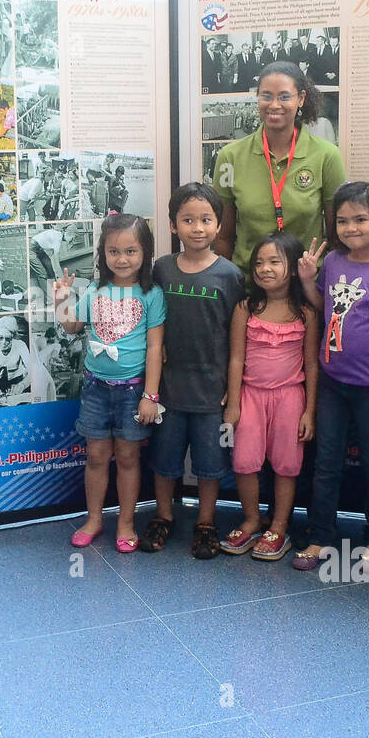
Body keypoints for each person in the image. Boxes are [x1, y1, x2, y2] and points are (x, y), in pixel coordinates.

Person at [293, 182, 369, 570]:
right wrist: (309, 279)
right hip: (332, 382)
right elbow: (321, 305)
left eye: (360, 219)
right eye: (342, 221)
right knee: (325, 464)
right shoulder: (334, 263)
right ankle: (320, 537)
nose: (351, 228)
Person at [140, 184, 246, 558]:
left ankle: (205, 523)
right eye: (188, 220)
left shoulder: (230, 276)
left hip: (210, 393)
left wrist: (232, 395)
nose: (197, 228)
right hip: (168, 389)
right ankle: (163, 517)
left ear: (219, 225)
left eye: (206, 219)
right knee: (165, 461)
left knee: (209, 465)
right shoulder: (162, 270)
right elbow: (152, 325)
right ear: (173, 225)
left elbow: (237, 345)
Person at [56, 214, 165, 552]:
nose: (122, 259)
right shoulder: (94, 289)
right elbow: (72, 328)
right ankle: (93, 518)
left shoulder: (152, 294)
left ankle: (127, 522)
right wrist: (62, 299)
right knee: (97, 455)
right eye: (113, 251)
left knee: (129, 458)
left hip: (134, 391)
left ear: (145, 252)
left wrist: (150, 395)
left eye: (131, 251)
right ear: (103, 254)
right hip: (95, 389)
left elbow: (155, 348)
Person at [222, 231, 319, 560]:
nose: (265, 268)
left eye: (275, 262)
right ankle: (251, 520)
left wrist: (310, 411)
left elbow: (312, 365)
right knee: (245, 461)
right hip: (250, 396)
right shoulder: (245, 308)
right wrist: (233, 403)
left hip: (290, 398)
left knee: (287, 465)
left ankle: (279, 526)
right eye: (259, 262)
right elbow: (235, 357)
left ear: (292, 269)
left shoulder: (305, 313)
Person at [214, 62, 346, 276]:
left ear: (301, 99)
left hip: (305, 287)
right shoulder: (230, 157)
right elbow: (223, 237)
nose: (274, 105)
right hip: (248, 286)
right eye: (266, 96)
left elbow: (336, 238)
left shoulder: (327, 156)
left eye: (284, 96)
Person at [0, 315, 31, 405]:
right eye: (0, 338)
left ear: (13, 336)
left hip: (18, 381)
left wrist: (22, 385)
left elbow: (31, 370)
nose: (4, 342)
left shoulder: (20, 345)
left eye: (8, 339)